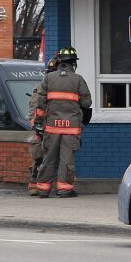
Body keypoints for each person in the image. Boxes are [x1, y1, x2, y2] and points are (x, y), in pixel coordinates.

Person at [35, 46, 92, 197]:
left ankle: (43, 189)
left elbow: (41, 104)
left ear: (59, 61)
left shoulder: (49, 78)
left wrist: (38, 122)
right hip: (71, 129)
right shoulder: (78, 79)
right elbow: (87, 103)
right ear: (74, 62)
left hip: (51, 127)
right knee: (66, 159)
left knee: (49, 158)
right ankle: (64, 189)